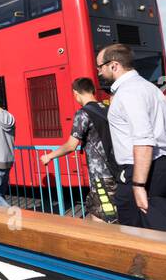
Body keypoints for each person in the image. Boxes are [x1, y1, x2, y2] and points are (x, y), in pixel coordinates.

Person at [95, 44, 166, 235]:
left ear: (114, 65)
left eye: (100, 67)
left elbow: (143, 138)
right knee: (164, 228)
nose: (99, 73)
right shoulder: (152, 89)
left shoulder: (128, 93)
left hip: (143, 170)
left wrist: (138, 184)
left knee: (137, 234)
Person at [40, 77, 118, 223]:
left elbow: (71, 145)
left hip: (101, 176)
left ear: (76, 93)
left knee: (107, 219)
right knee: (96, 212)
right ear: (93, 91)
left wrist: (50, 156)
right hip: (115, 170)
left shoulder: (83, 113)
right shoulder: (107, 109)